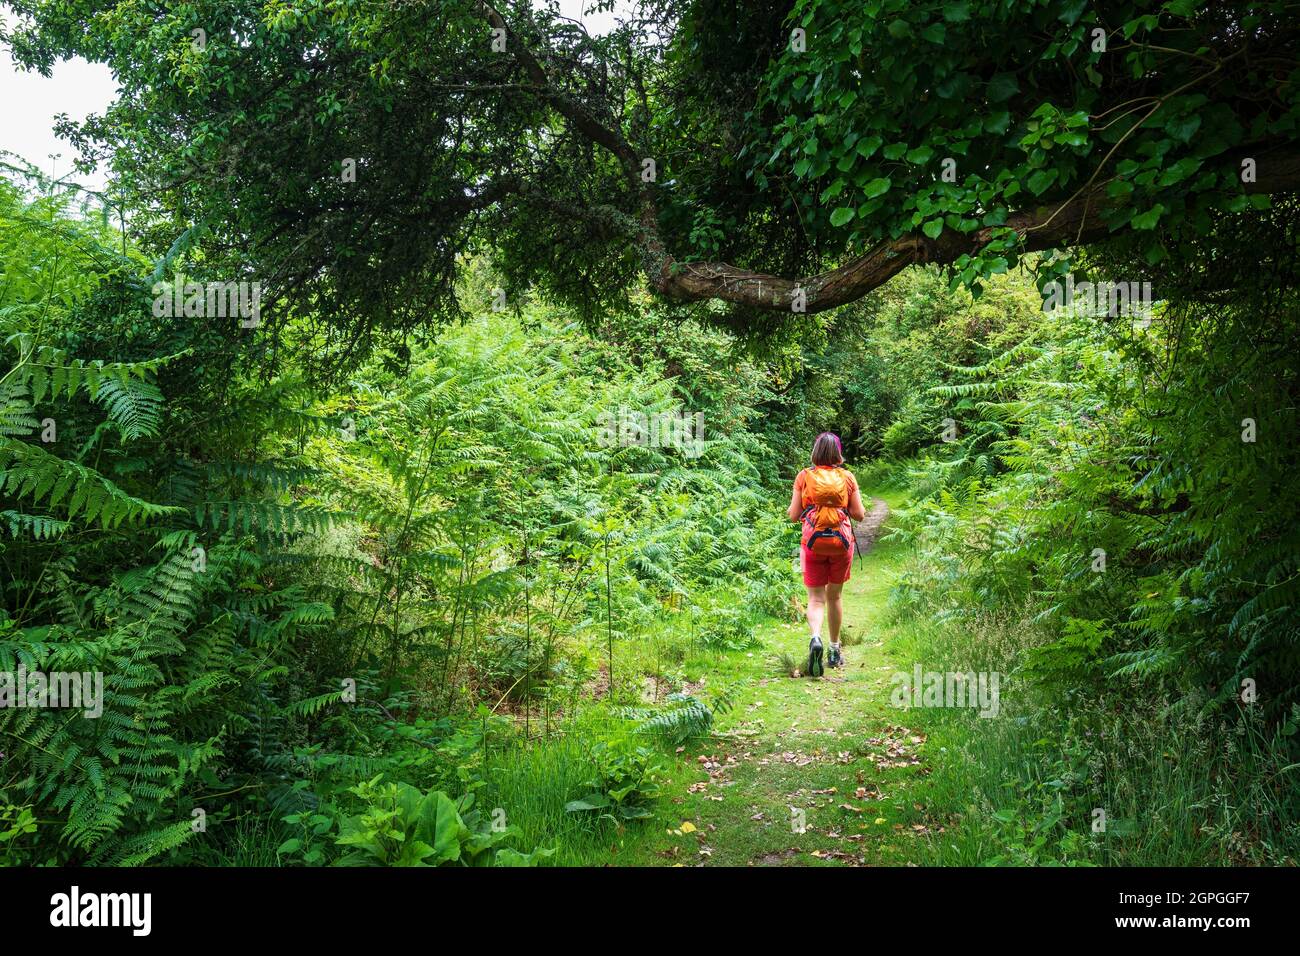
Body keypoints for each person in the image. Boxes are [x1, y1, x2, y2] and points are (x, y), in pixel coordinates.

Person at [787, 432, 867, 675]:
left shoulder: (804, 476)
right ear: (838, 453)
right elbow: (860, 514)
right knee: (835, 597)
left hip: (812, 543)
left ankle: (815, 638)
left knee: (815, 598)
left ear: (815, 451)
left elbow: (792, 515)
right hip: (841, 544)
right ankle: (834, 650)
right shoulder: (847, 477)